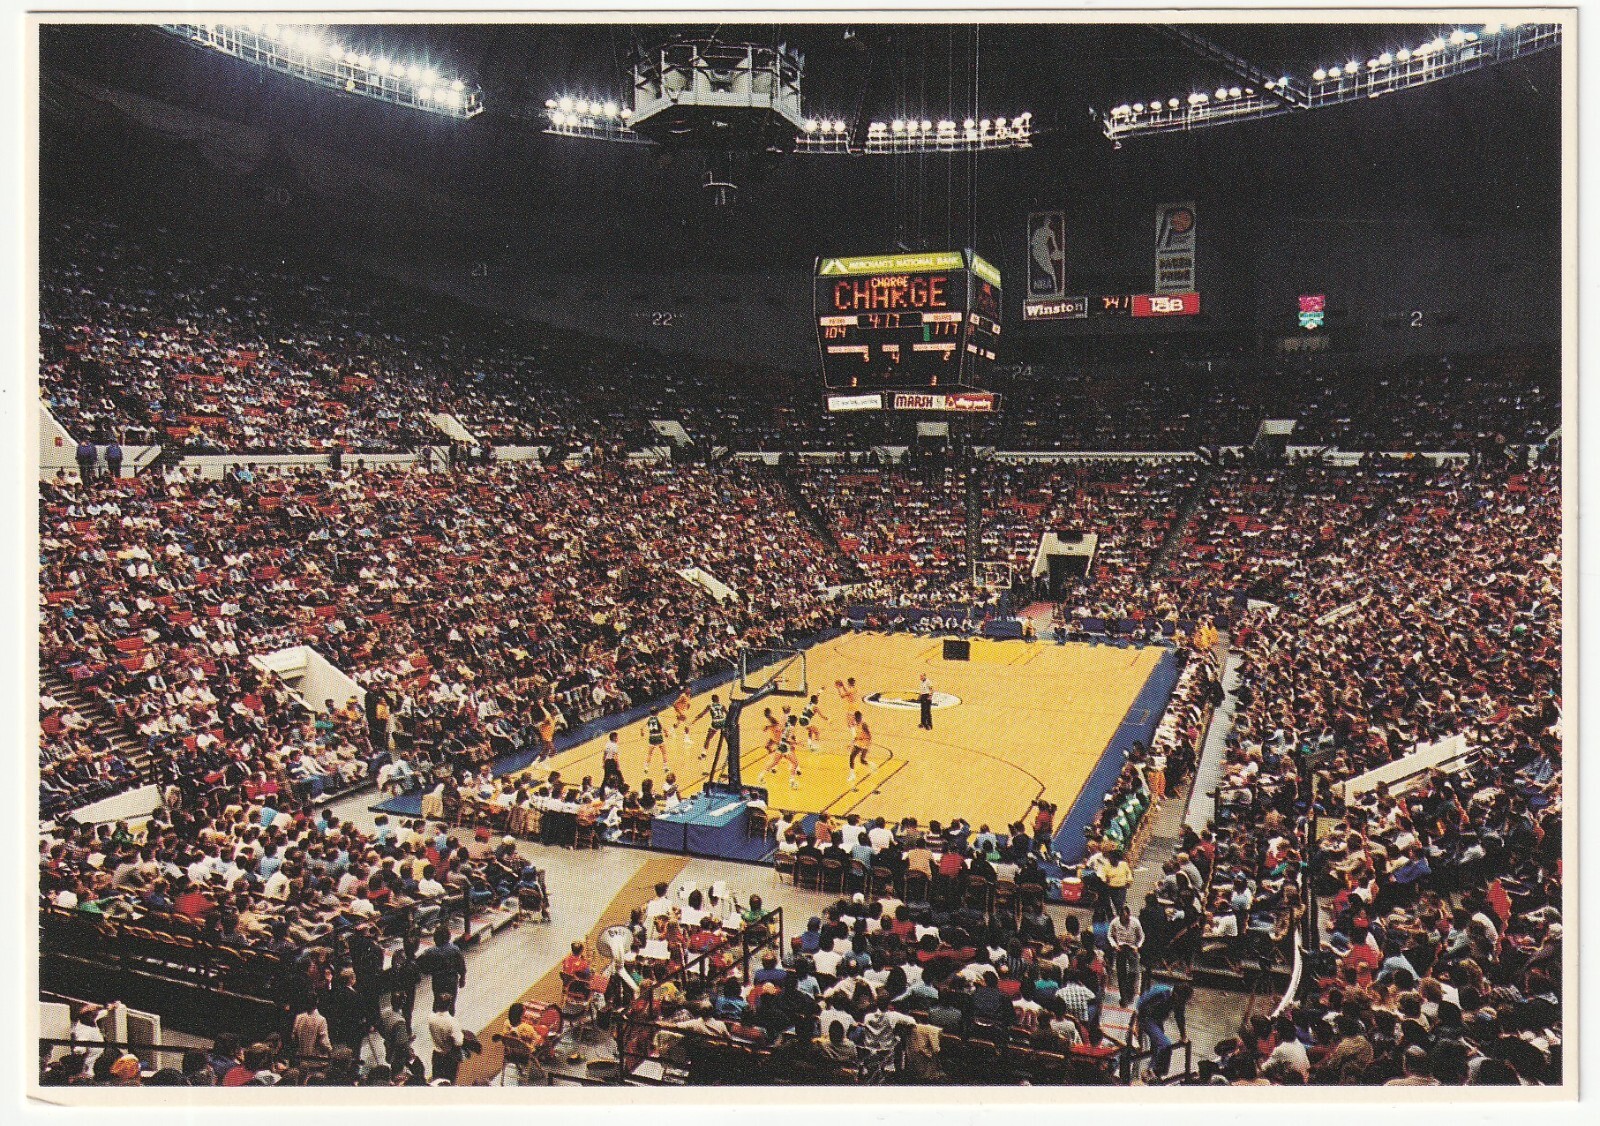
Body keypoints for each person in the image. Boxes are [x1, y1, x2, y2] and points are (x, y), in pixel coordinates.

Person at [1133, 980, 1191, 1082]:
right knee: (1165, 1044)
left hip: (1157, 1018)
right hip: (1145, 1017)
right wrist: (1136, 1026)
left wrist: (1183, 1036)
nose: (1181, 1003)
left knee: (1158, 1047)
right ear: (1175, 994)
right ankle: (1152, 1072)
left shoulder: (1180, 1000)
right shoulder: (1161, 993)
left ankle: (1155, 1072)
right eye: (1180, 1000)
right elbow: (1141, 1006)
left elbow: (1180, 1017)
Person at [1109, 904, 1145, 1005]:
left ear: (1129, 915)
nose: (1124, 919)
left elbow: (1141, 936)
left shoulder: (1135, 922)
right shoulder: (1115, 922)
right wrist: (1114, 945)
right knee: (1121, 973)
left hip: (1132, 949)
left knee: (1133, 972)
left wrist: (1137, 946)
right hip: (1120, 949)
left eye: (1126, 917)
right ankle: (1123, 997)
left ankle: (1130, 995)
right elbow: (1110, 935)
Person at [848, 712, 872, 784]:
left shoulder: (863, 725)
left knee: (853, 757)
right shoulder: (856, 725)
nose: (858, 719)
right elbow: (856, 737)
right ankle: (871, 766)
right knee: (860, 760)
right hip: (860, 743)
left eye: (859, 718)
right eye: (857, 718)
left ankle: (852, 775)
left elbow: (869, 736)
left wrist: (867, 745)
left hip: (864, 744)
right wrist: (851, 744)